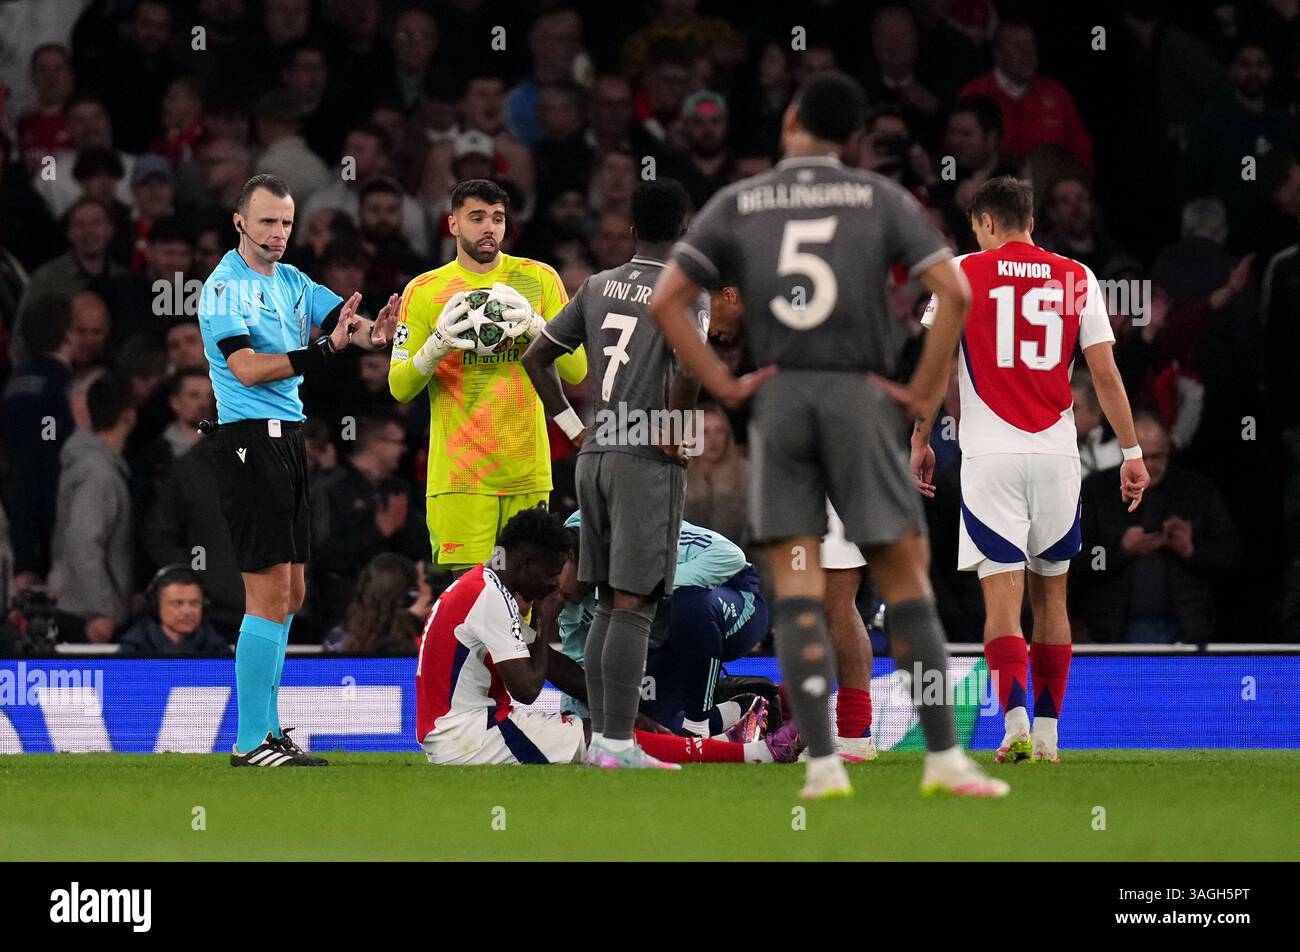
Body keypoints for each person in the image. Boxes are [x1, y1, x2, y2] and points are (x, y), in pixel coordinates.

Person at [650, 70, 1006, 799]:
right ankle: (945, 757)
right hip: (858, 399)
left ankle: (820, 763)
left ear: (789, 124)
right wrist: (917, 390)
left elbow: (667, 302)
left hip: (780, 405)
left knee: (801, 592)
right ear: (851, 138)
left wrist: (723, 387)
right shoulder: (879, 197)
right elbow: (956, 291)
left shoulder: (740, 200)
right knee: (905, 582)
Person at [908, 176, 1149, 764]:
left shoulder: (960, 273)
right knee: (1053, 600)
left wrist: (920, 438)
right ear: (1032, 220)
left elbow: (934, 370)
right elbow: (1107, 376)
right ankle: (1048, 737)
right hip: (1057, 456)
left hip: (991, 456)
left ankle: (1013, 724)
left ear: (987, 224)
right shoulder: (1077, 277)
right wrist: (1132, 452)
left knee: (1001, 601)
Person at [198, 172, 399, 768]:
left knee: (292, 592)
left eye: (285, 222)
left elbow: (347, 326)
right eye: (266, 221)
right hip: (247, 442)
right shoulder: (224, 287)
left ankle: (270, 729)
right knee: (265, 594)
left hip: (287, 442)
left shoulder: (292, 281)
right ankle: (250, 740)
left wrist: (377, 335)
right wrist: (327, 350)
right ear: (239, 222)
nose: (278, 233)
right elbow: (248, 369)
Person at [523, 178, 705, 769]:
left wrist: (573, 427)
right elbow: (688, 369)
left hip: (595, 454)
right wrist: (679, 432)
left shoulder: (598, 285)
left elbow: (536, 356)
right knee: (633, 605)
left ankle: (605, 739)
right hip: (645, 460)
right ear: (685, 229)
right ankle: (618, 746)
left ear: (631, 230)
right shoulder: (684, 293)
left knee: (605, 603)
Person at [415, 507, 799, 766]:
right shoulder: (492, 598)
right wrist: (546, 623)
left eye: (555, 576)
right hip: (470, 736)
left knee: (629, 723)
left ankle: (738, 718)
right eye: (548, 576)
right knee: (606, 737)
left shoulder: (481, 586)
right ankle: (759, 752)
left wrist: (629, 714)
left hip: (730, 602)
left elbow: (558, 669)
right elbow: (529, 687)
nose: (551, 586)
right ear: (526, 563)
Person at [387, 178, 586, 573]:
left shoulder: (540, 279)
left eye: (497, 218)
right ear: (453, 225)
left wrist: (536, 328)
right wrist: (437, 345)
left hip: (527, 472)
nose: (489, 227)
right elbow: (399, 388)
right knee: (471, 605)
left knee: (527, 603)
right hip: (460, 477)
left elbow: (577, 371)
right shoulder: (424, 291)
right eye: (476, 217)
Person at [557, 511, 771, 741]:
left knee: (690, 604)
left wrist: (645, 588)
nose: (554, 593)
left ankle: (697, 726)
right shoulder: (567, 597)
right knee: (646, 725)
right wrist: (575, 723)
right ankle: (747, 705)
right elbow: (580, 668)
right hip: (663, 638)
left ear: (571, 555)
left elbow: (729, 556)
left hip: (734, 599)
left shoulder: (629, 535)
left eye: (555, 577)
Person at [1077, 413, 1239, 644]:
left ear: (1168, 452)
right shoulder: (1097, 491)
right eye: (1143, 457)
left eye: (1157, 457)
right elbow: (1075, 561)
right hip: (1111, 632)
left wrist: (1192, 549)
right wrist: (1120, 549)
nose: (1150, 466)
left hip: (1188, 631)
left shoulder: (1198, 491)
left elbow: (1230, 556)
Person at [48, 373, 136, 644]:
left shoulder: (92, 465)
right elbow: (83, 543)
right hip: (90, 618)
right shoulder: (99, 473)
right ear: (129, 416)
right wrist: (102, 610)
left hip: (85, 609)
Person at [118, 564, 230, 655]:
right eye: (178, 603)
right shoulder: (133, 647)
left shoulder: (217, 648)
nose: (187, 611)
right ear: (156, 605)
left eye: (194, 603)